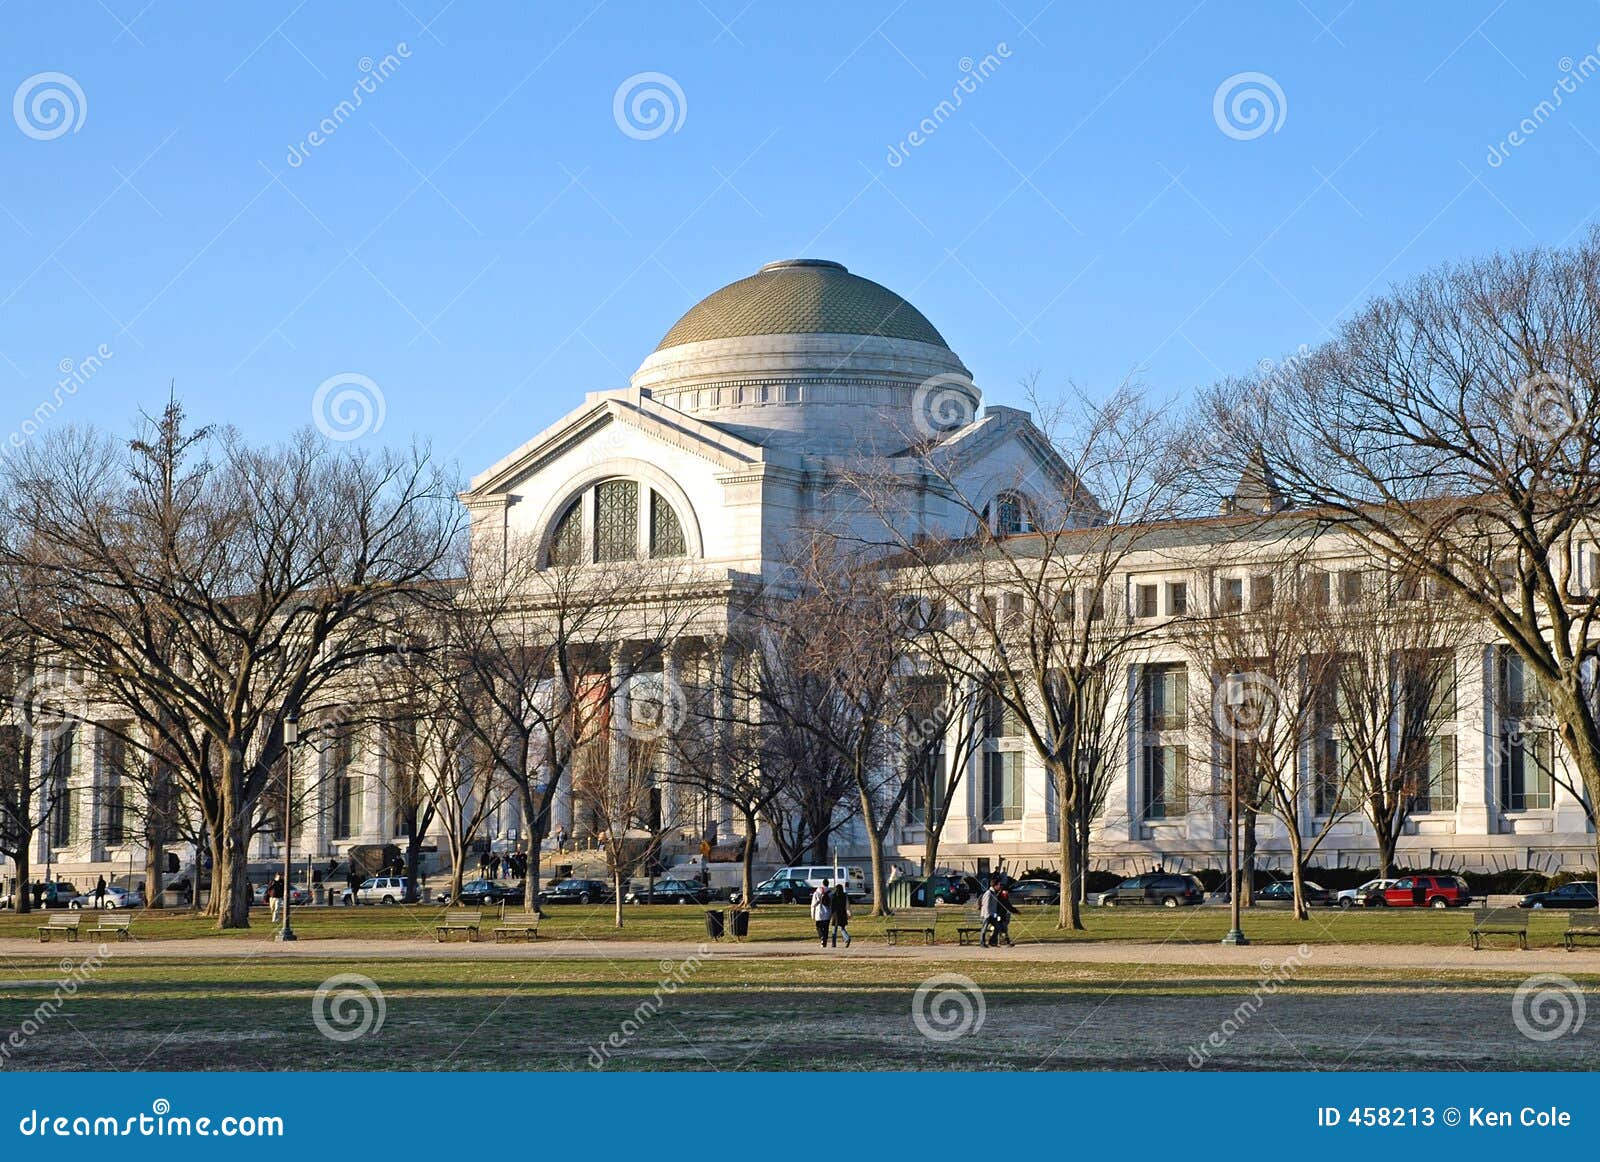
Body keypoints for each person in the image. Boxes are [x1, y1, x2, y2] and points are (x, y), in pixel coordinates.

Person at [979, 877, 1002, 948]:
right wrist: (989, 914)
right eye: (999, 885)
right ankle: (982, 943)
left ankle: (992, 941)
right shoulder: (988, 893)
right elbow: (986, 905)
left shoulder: (994, 893)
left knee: (998, 927)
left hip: (992, 915)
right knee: (984, 929)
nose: (1000, 886)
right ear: (995, 885)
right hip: (987, 915)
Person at [828, 882, 852, 948]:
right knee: (842, 928)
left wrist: (830, 914)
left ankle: (833, 943)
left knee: (834, 929)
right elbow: (847, 905)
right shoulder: (844, 896)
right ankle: (847, 938)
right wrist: (849, 913)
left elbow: (831, 906)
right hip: (842, 913)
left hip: (835, 914)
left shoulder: (833, 896)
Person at [810, 880, 831, 947]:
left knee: (818, 927)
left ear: (822, 884)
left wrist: (812, 915)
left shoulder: (817, 892)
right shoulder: (830, 892)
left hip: (818, 913)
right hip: (827, 913)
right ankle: (824, 941)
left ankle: (821, 937)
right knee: (826, 928)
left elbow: (813, 904)